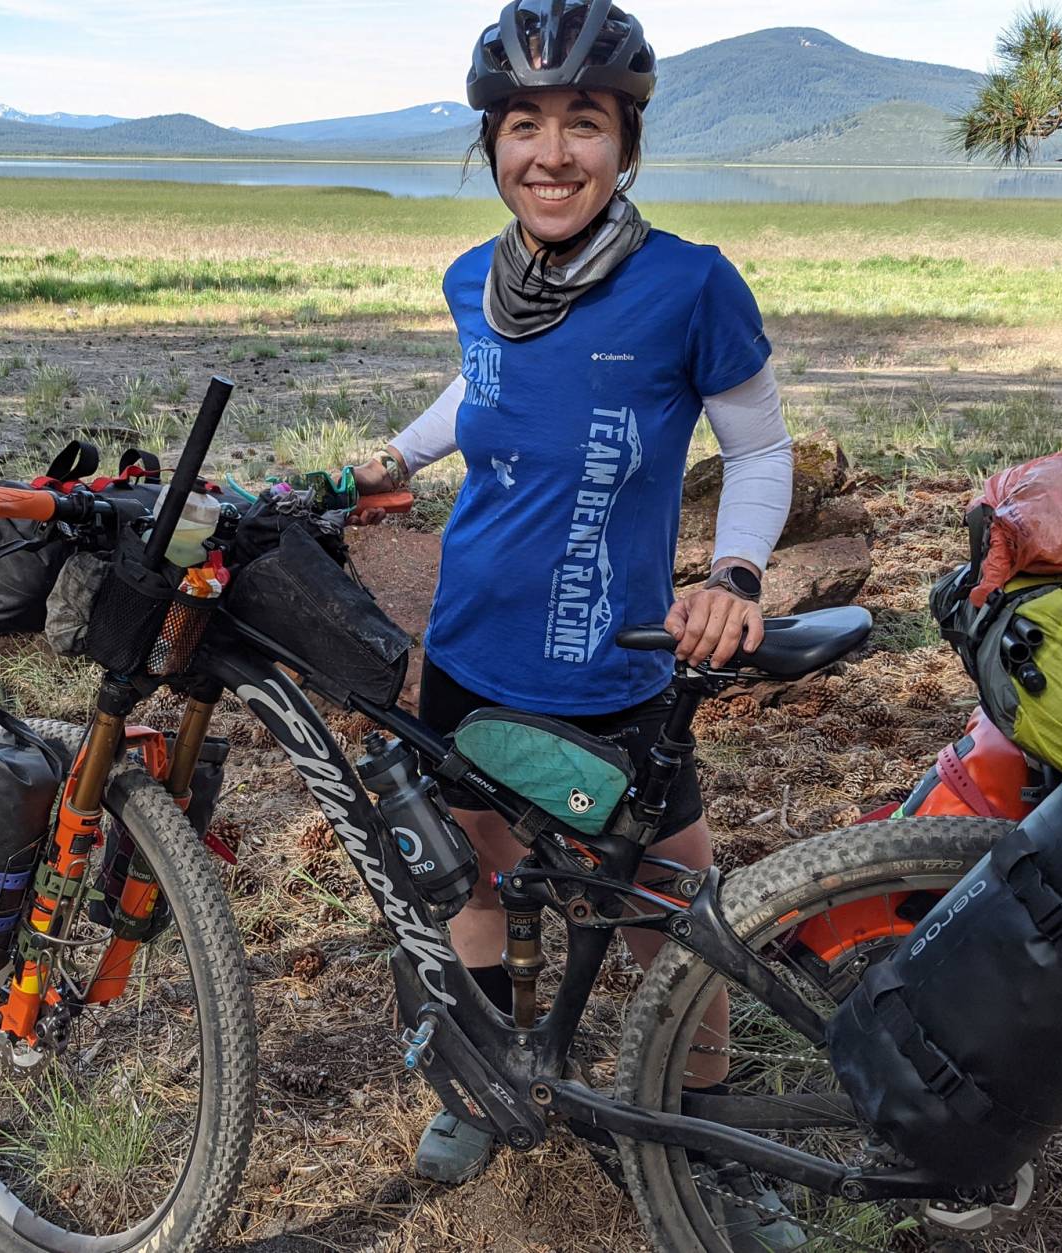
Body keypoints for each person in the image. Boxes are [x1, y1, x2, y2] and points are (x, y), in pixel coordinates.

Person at [351, 2, 801, 1245]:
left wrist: (733, 577)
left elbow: (758, 449)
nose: (550, 154)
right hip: (472, 645)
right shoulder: (472, 277)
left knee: (671, 906)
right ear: (491, 144)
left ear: (625, 144)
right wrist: (388, 458)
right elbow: (481, 381)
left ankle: (706, 1137)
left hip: (615, 661)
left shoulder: (688, 283)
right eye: (523, 126)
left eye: (582, 124)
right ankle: (485, 1083)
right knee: (474, 868)